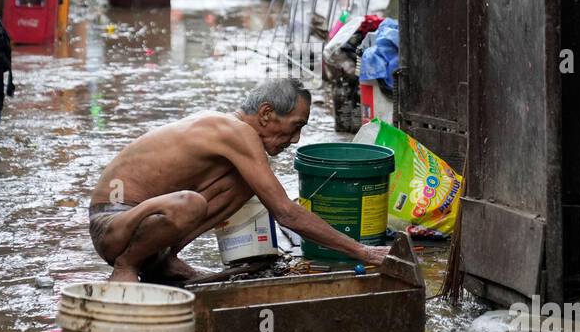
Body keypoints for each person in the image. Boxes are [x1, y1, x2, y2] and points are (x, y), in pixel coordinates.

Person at [88, 77, 390, 283]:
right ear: (266, 114)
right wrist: (362, 251)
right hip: (112, 224)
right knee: (189, 204)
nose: (296, 139)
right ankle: (127, 264)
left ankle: (160, 260)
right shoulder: (236, 132)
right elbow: (285, 212)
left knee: (246, 183)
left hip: (131, 225)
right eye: (295, 126)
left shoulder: (235, 136)